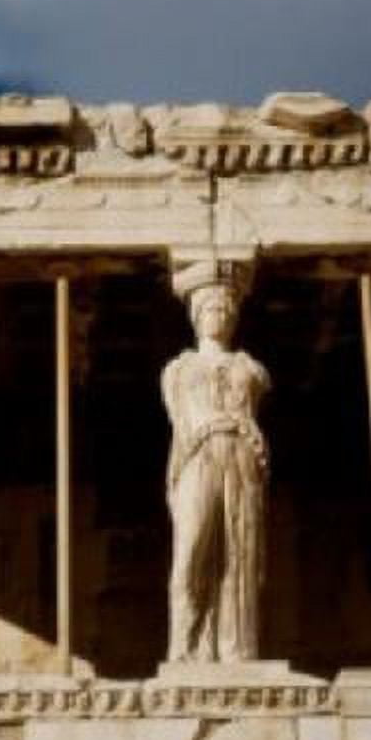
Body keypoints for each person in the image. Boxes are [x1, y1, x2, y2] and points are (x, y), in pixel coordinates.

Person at [162, 261, 270, 663]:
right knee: (191, 547)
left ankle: (236, 649)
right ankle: (186, 647)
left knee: (239, 551)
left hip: (241, 454)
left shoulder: (250, 368)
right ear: (195, 314)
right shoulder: (178, 368)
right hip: (198, 454)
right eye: (210, 307)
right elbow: (180, 417)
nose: (218, 314)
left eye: (226, 308)